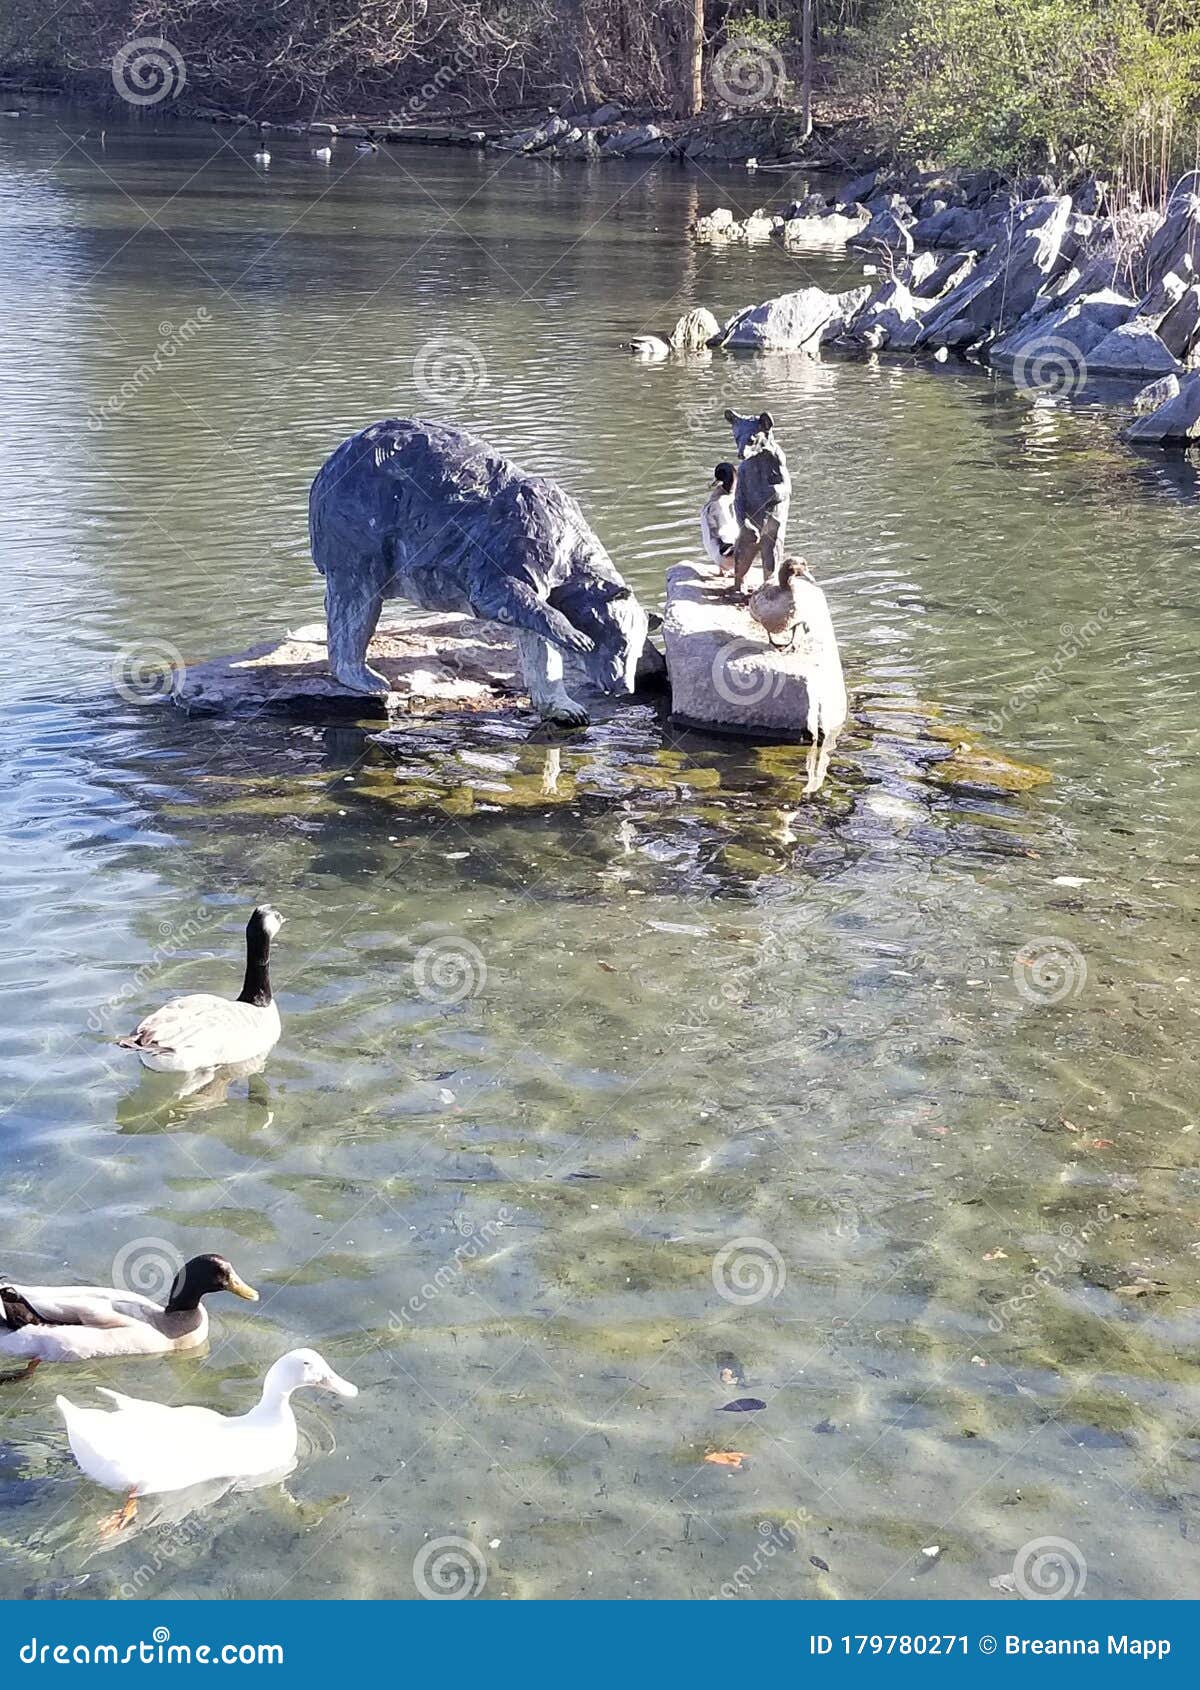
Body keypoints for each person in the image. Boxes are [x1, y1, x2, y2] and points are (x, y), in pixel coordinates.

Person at [700, 462, 739, 573]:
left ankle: (721, 569)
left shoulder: (713, 505)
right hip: (741, 549)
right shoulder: (740, 501)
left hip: (723, 548)